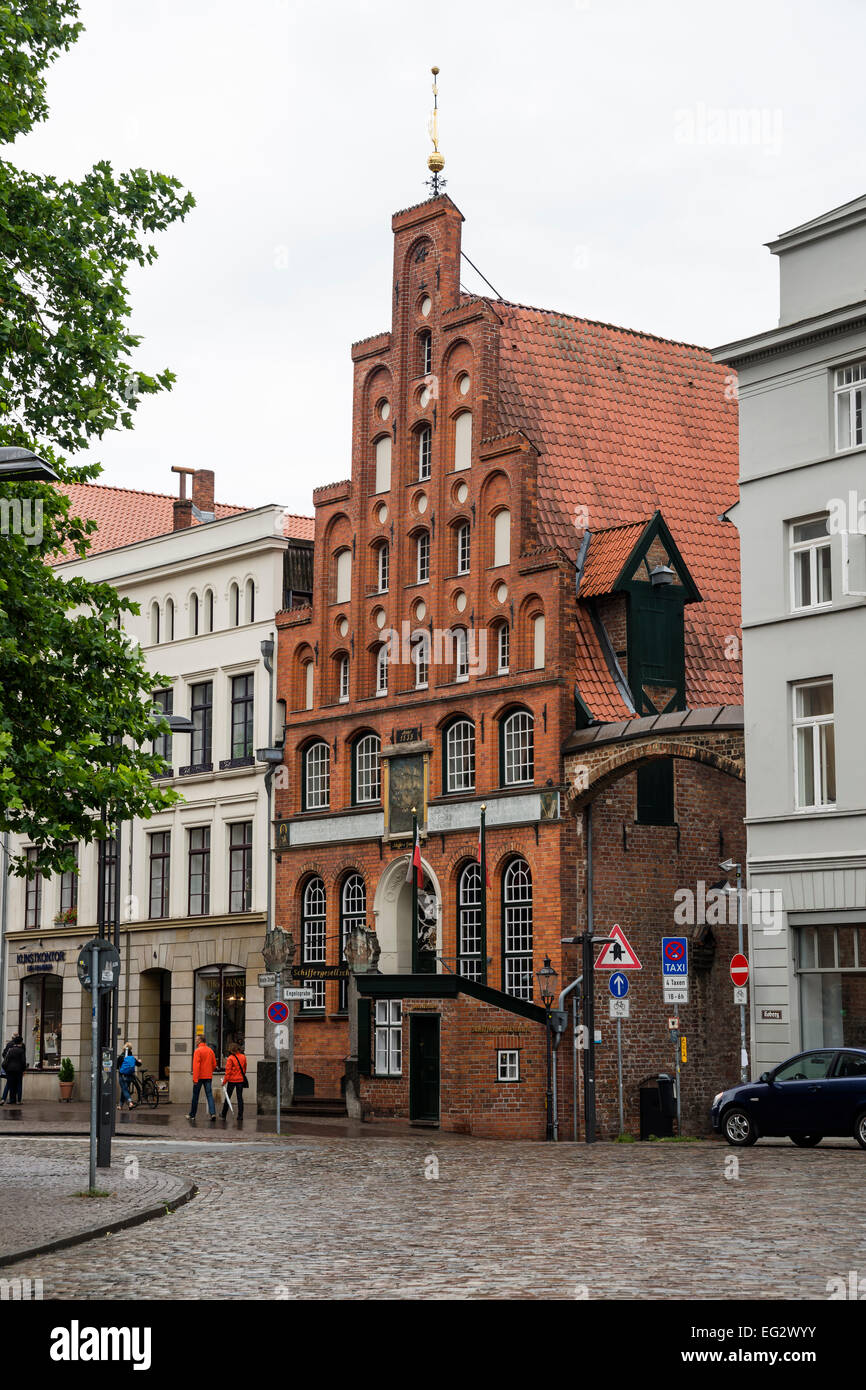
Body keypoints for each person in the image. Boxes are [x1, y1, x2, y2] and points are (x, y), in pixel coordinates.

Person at [188, 1033, 217, 1121]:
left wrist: (195, 1079)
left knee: (195, 1096)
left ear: (200, 1040)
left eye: (197, 1039)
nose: (196, 1040)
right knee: (209, 1095)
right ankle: (213, 1113)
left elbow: (196, 1066)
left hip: (199, 1077)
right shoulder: (210, 1050)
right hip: (208, 1076)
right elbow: (214, 1064)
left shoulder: (198, 1051)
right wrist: (209, 1071)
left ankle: (192, 1115)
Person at [221, 1042, 247, 1122]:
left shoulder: (230, 1058)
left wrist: (224, 1082)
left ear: (231, 1050)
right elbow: (245, 1068)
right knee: (240, 1098)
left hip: (232, 1080)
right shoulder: (243, 1057)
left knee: (228, 1097)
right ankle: (240, 1116)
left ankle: (223, 1114)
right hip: (240, 1080)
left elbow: (228, 1072)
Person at [0, 1035, 26, 1105]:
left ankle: (3, 1099)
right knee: (19, 1084)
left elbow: (6, 1060)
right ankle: (19, 1100)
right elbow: (23, 1062)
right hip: (18, 1070)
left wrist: (6, 1069)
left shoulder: (10, 1050)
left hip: (9, 1070)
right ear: (20, 1042)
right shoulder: (21, 1051)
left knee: (8, 1084)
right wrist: (23, 1070)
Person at [116, 1042, 141, 1110]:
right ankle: (120, 1105)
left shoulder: (121, 1057)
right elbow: (139, 1064)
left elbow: (117, 1067)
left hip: (122, 1075)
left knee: (124, 1089)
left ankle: (130, 1102)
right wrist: (139, 1061)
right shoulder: (132, 1057)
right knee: (124, 1090)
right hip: (130, 1076)